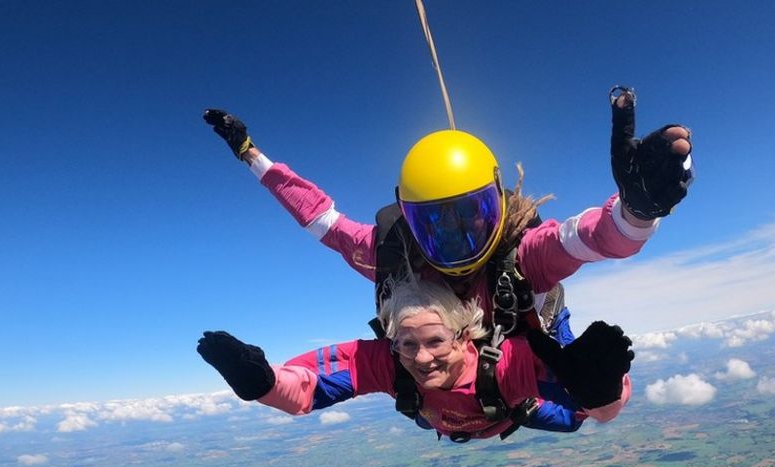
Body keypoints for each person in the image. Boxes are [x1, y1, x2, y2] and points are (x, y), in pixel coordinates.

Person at [201, 87, 693, 344]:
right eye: (437, 223)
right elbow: (318, 216)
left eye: (470, 214)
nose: (457, 236)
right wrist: (250, 153)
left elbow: (597, 237)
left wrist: (636, 212)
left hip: (527, 354)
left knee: (588, 398)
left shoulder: (524, 256)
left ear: (498, 204)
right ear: (411, 221)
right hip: (456, 390)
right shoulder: (394, 255)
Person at [197, 276, 635, 442]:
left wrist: (603, 390)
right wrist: (262, 383)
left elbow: (595, 412)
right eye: (407, 344)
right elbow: (308, 390)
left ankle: (553, 320)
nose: (421, 358)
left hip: (510, 408)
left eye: (436, 342)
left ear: (465, 336)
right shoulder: (386, 361)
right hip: (438, 417)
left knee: (572, 419)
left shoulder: (509, 362)